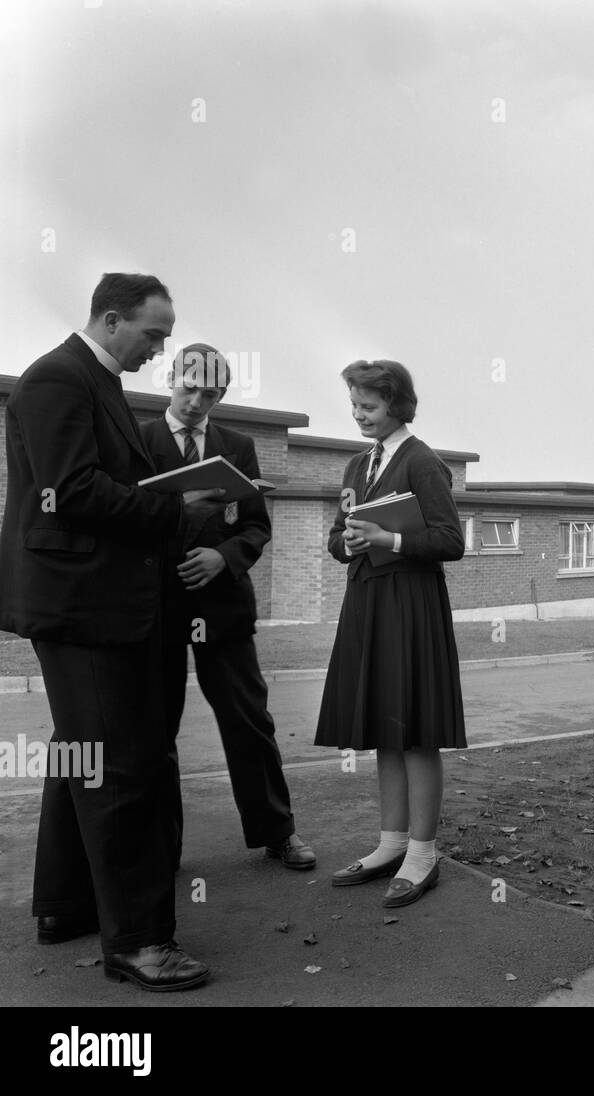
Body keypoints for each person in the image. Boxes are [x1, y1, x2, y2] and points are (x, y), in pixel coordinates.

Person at [0, 273, 225, 991]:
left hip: (93, 602)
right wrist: (178, 511)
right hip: (84, 608)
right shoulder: (58, 379)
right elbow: (70, 492)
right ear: (110, 320)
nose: (159, 351)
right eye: (153, 335)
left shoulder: (92, 381)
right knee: (121, 768)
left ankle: (65, 905)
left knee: (82, 754)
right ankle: (139, 943)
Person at [141, 345, 315, 873]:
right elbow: (124, 518)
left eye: (210, 394)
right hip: (155, 608)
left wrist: (225, 557)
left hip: (223, 608)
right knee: (153, 730)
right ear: (171, 379)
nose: (196, 401)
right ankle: (159, 850)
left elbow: (256, 525)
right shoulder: (137, 440)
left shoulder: (238, 447)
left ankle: (276, 831)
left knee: (249, 721)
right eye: (188, 387)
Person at [315, 361, 466, 908]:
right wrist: (350, 543)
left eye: (370, 406)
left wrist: (389, 539)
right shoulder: (357, 464)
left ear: (397, 405)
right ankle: (392, 843)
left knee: (416, 730)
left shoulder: (423, 462)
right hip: (368, 603)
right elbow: (337, 537)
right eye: (354, 405)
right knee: (386, 725)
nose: (359, 415)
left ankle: (423, 853)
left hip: (412, 604)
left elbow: (450, 541)